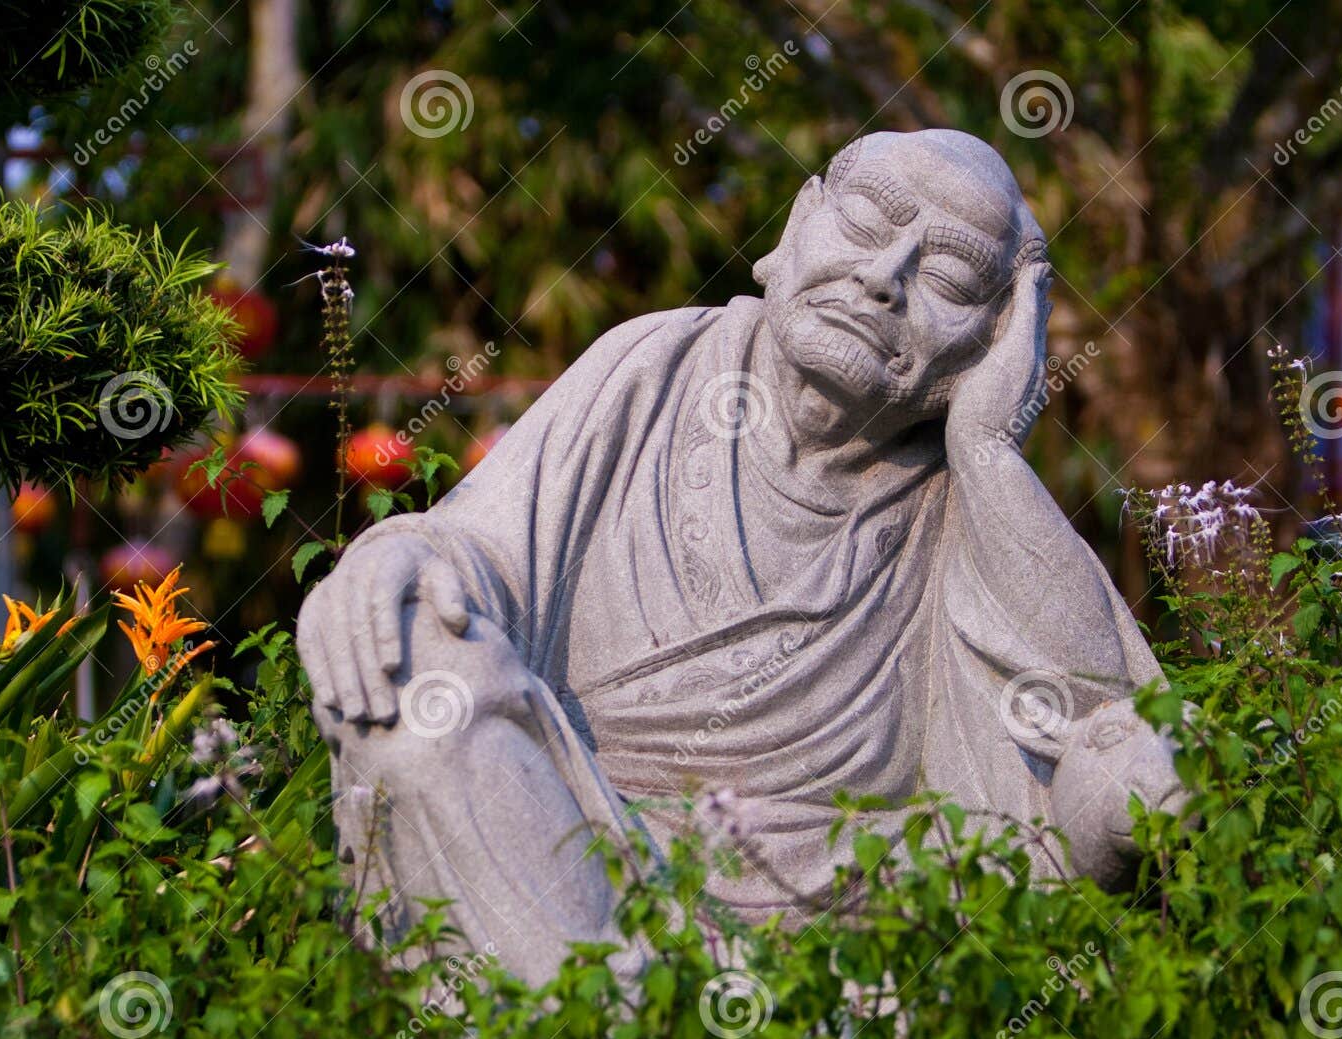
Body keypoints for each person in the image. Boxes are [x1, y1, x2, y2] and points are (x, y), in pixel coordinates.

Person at [297, 129, 1181, 986]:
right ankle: (596, 1033)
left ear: (993, 339)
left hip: (843, 921)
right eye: (867, 223)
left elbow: (1104, 724)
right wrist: (401, 559)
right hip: (568, 847)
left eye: (947, 274)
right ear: (797, 224)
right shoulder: (657, 366)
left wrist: (990, 450)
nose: (884, 278)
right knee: (412, 668)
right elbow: (474, 555)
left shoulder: (959, 499)